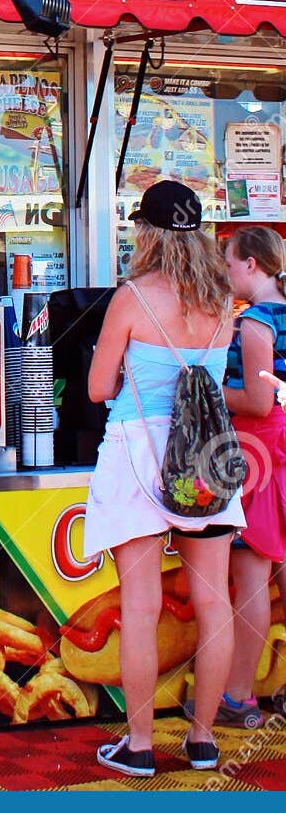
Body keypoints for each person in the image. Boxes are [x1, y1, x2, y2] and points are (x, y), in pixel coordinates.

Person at [84, 179, 242, 777]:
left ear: (144, 233)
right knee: (214, 601)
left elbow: (99, 390)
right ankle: (203, 740)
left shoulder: (134, 296)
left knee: (142, 604)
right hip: (206, 453)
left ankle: (141, 745)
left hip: (138, 452)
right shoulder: (222, 299)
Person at [215, 226, 286, 725]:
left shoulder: (258, 321)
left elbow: (259, 401)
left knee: (253, 575)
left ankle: (238, 696)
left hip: (259, 449)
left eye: (230, 262)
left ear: (252, 266)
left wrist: (208, 388)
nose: (226, 271)